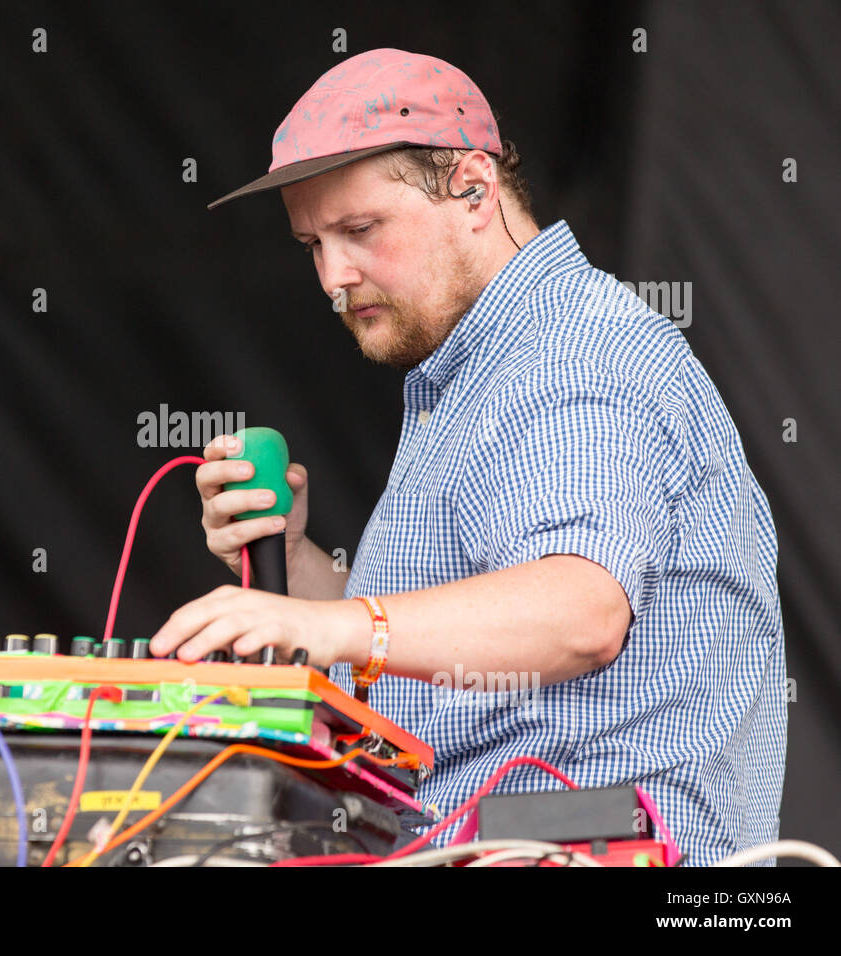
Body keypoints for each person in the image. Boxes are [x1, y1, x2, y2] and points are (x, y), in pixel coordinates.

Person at [148, 48, 787, 866]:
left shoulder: (575, 354)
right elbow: (430, 658)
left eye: (360, 230)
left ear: (475, 189)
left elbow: (579, 611)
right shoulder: (477, 370)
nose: (333, 278)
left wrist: (325, 624)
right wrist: (296, 565)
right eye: (312, 243)